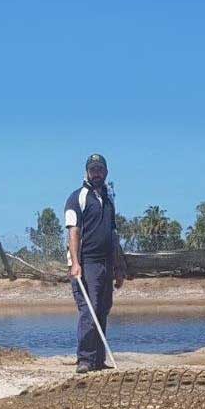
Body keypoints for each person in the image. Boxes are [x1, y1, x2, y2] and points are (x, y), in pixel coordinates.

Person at [64, 153, 127, 373]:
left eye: (100, 169)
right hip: (86, 263)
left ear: (106, 172)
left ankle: (99, 360)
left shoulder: (109, 199)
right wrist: (76, 263)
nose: (97, 173)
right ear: (87, 173)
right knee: (88, 311)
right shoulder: (77, 197)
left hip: (106, 264)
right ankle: (85, 360)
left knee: (102, 310)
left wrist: (119, 268)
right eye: (93, 170)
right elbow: (74, 231)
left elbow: (113, 234)